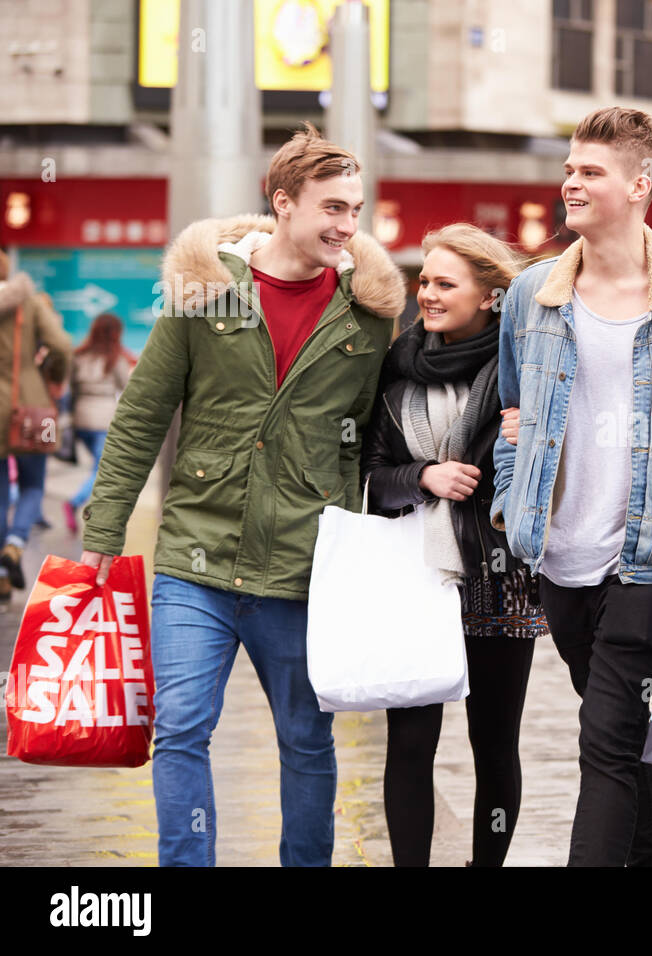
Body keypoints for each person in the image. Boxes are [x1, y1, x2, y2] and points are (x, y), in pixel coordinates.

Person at [79, 124, 406, 866]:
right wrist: (103, 535)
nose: (346, 226)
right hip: (195, 561)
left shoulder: (368, 312)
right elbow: (140, 415)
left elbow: (384, 431)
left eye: (355, 209)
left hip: (301, 566)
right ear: (282, 202)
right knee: (182, 724)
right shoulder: (206, 296)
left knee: (305, 736)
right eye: (331, 207)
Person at [491, 106, 652, 866]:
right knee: (623, 735)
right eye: (568, 169)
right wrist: (510, 503)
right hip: (558, 559)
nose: (570, 182)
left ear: (639, 184)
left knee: (601, 746)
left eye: (589, 172)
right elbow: (511, 412)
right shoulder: (531, 294)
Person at [361, 224, 546, 867]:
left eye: (446, 283)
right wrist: (422, 476)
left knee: (494, 743)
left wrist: (528, 440)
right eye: (424, 282)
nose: (428, 295)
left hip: (500, 577)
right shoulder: (395, 370)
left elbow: (554, 475)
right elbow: (369, 477)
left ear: (492, 295)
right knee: (409, 743)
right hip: (417, 578)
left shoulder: (529, 373)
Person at [0, 257, 72, 601]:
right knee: (33, 483)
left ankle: (1, 576)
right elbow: (60, 345)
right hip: (32, 405)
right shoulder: (27, 302)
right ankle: (13, 546)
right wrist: (53, 379)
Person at [63, 312, 136, 534]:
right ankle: (75, 502)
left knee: (97, 466)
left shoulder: (78, 355)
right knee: (101, 469)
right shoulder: (115, 357)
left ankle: (87, 506)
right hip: (104, 420)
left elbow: (70, 388)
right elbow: (127, 387)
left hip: (80, 419)